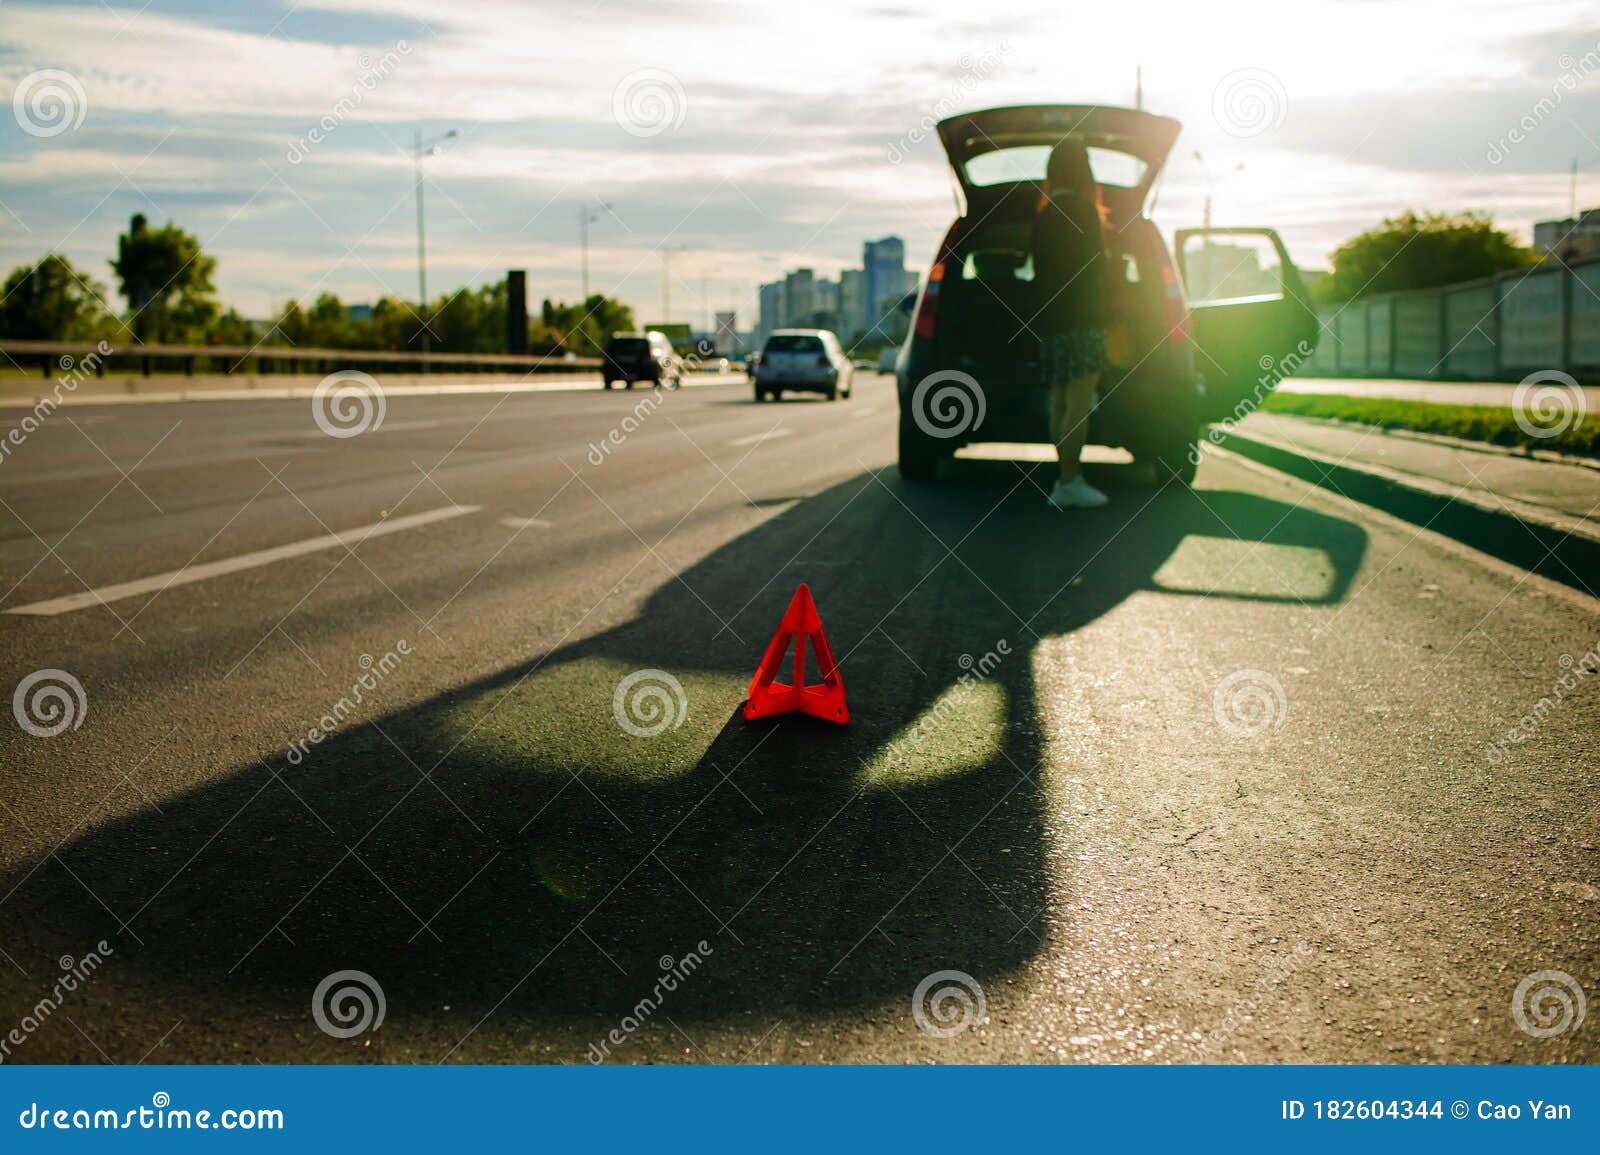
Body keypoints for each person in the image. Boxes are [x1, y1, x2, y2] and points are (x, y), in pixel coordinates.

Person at [1032, 138, 1114, 509]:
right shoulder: (1083, 212)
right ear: (1085, 171)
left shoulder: (1045, 215)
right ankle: (1069, 481)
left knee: (1061, 400)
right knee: (1079, 402)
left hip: (1051, 323)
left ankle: (1064, 477)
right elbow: (1098, 272)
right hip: (1083, 320)